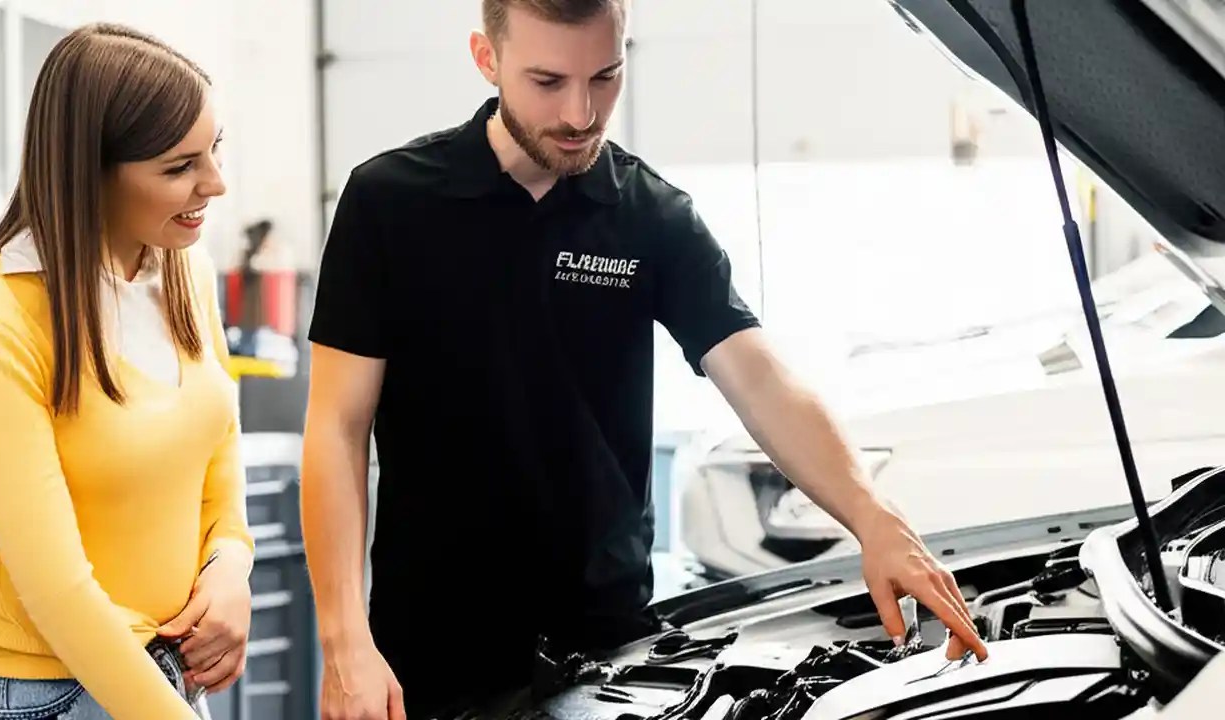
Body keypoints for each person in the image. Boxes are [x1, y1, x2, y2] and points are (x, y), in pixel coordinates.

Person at [300, 0, 989, 716]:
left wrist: (872, 517)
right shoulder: (390, 203)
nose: (580, 113)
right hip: (430, 657)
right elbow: (336, 429)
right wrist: (344, 637)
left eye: (606, 77)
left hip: (607, 657)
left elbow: (761, 378)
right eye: (548, 82)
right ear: (486, 58)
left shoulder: (650, 215)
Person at [0, 23, 254, 720]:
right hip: (39, 696)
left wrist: (232, 564)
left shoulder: (184, 269)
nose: (216, 183)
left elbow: (219, 448)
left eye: (215, 150)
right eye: (179, 167)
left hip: (165, 679)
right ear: (91, 170)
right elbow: (55, 591)